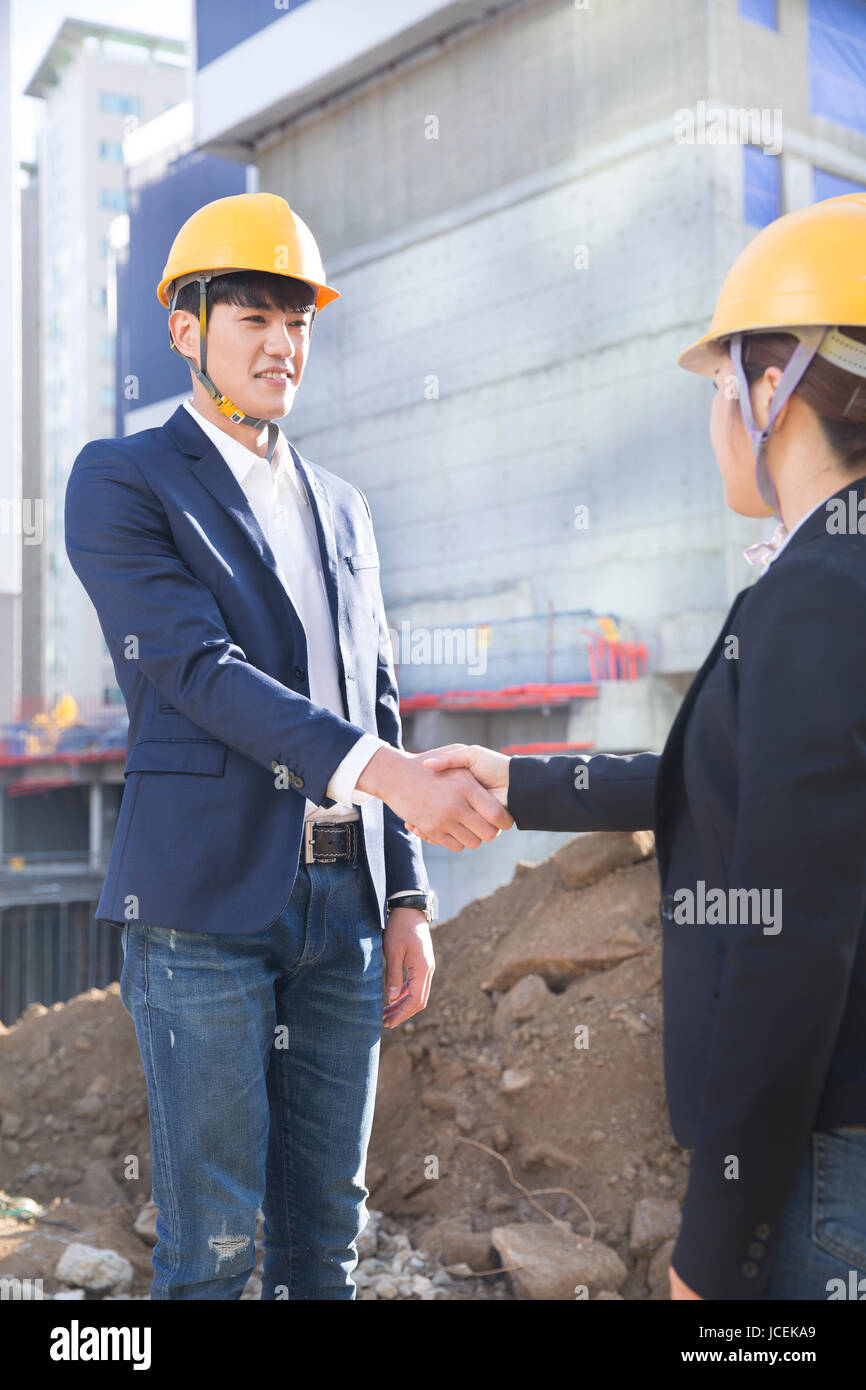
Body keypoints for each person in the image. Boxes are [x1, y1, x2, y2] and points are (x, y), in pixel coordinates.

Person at [406, 194, 866, 1301]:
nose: (712, 416)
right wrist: (523, 781)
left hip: (824, 1174)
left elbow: (790, 939)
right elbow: (745, 788)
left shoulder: (817, 590)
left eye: (719, 386)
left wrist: (709, 1251)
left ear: (771, 388)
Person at [64, 191, 512, 1300]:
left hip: (342, 909)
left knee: (326, 1241)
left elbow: (378, 693)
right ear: (186, 328)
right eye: (254, 315)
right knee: (212, 1250)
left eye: (298, 319)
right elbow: (199, 671)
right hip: (202, 909)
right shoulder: (123, 481)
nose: (281, 342)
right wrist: (391, 779)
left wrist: (402, 892)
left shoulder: (344, 506)